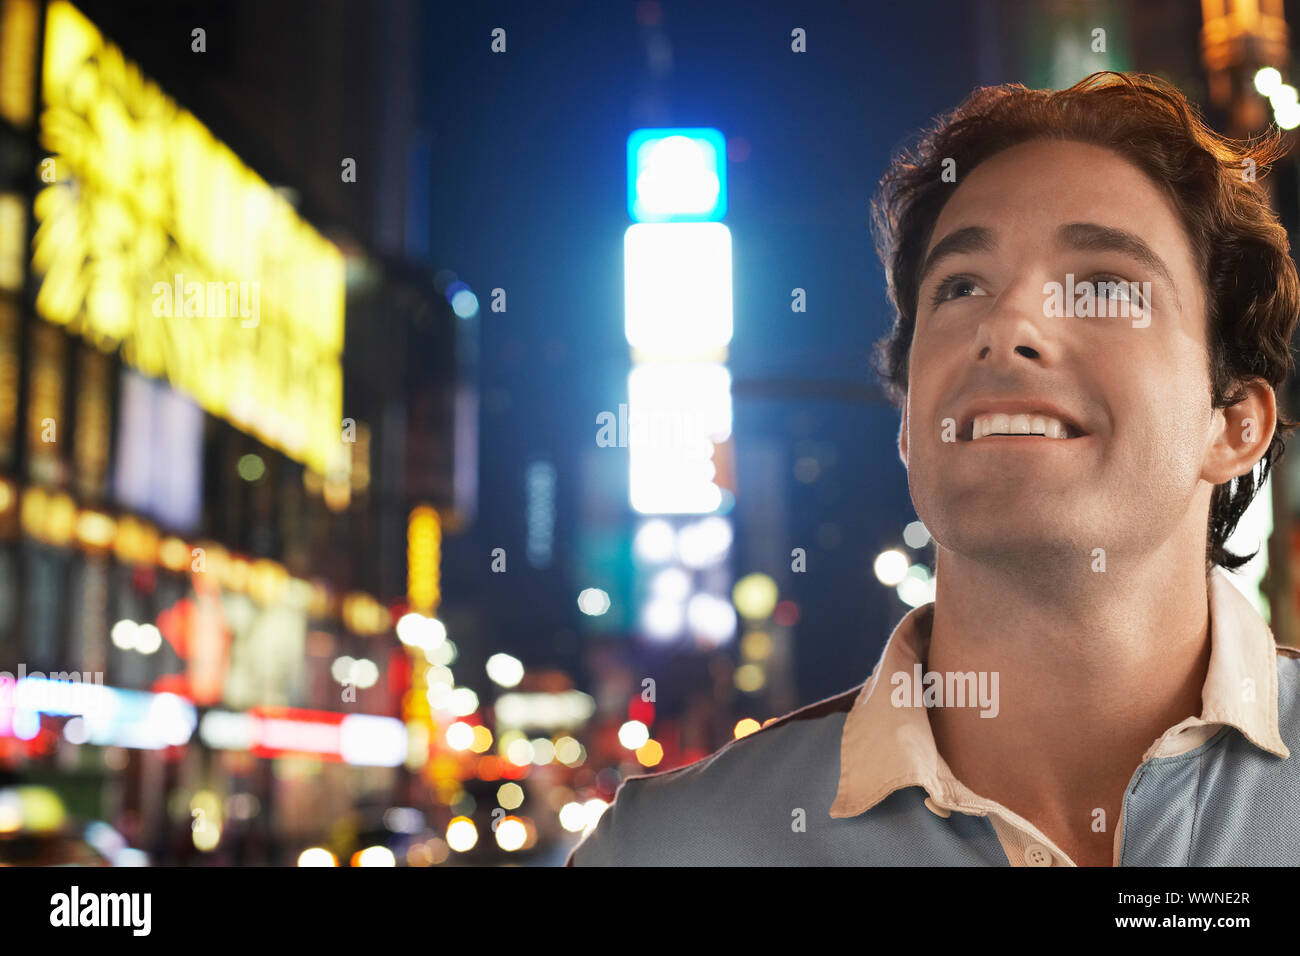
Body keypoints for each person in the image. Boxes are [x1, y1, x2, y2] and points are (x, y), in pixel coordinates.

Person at [566, 71, 1300, 866]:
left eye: (1101, 286)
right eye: (961, 286)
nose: (1008, 323)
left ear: (1234, 424)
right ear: (911, 427)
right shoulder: (673, 851)